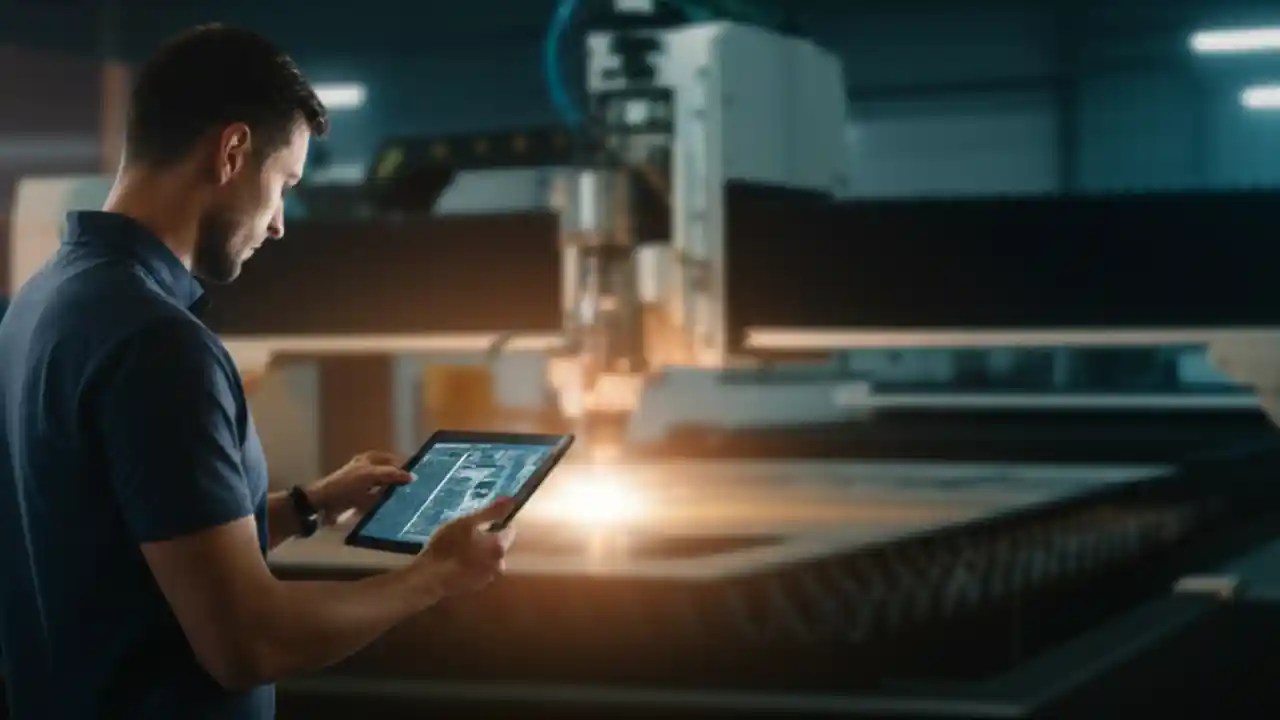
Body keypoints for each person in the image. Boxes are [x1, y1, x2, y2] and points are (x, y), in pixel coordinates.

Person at [0, 24, 514, 719]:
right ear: (233, 151)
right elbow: (249, 642)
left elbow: (137, 536)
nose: (278, 225)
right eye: (284, 186)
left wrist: (310, 505)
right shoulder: (159, 345)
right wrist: (435, 576)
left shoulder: (44, 299)